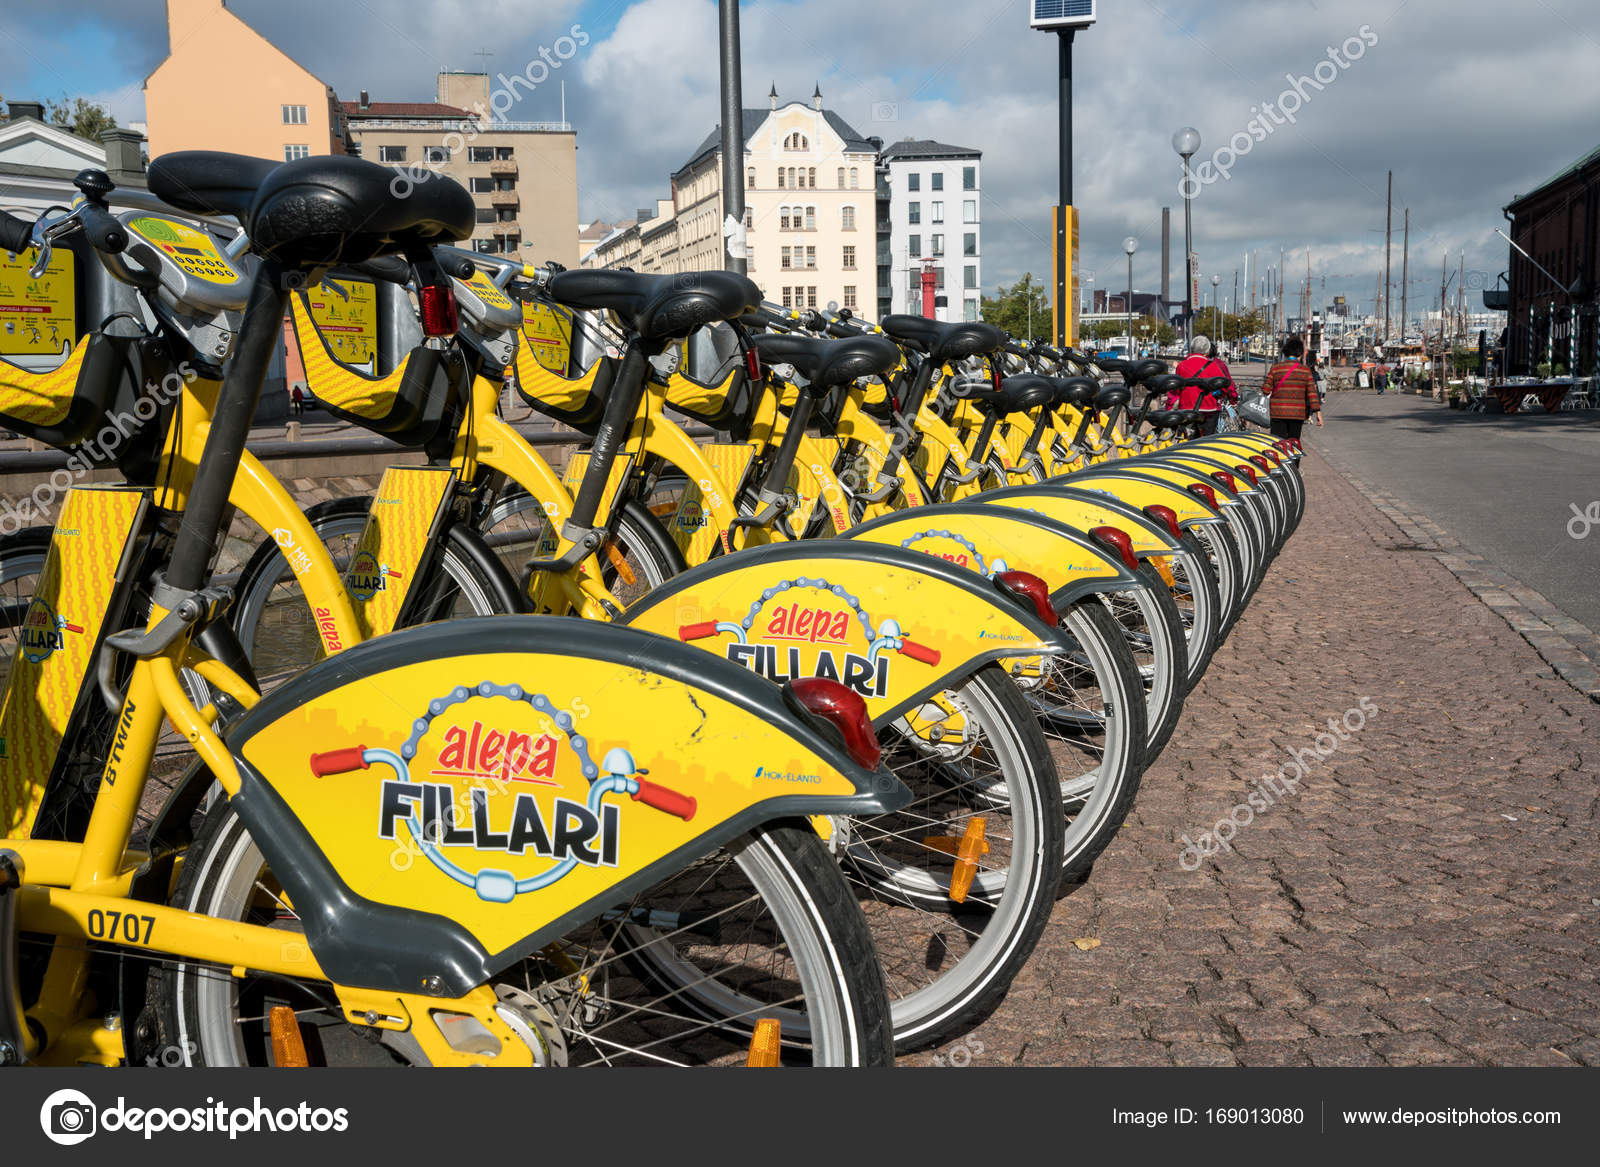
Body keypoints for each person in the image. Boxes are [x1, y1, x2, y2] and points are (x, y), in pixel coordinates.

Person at [1170, 335, 1238, 434]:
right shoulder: (1213, 366)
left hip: (1187, 408)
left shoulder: (1181, 365)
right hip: (1209, 409)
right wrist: (1219, 395)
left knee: (1187, 438)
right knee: (1207, 440)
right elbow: (1224, 386)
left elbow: (1177, 389)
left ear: (1192, 349)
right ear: (1207, 350)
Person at [1262, 336, 1323, 441]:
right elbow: (1312, 393)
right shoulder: (1305, 371)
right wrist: (1318, 413)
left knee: (1278, 443)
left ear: (1285, 353)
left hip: (1278, 412)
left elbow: (1266, 390)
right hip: (1297, 413)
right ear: (1300, 354)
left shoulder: (1276, 368)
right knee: (1294, 443)